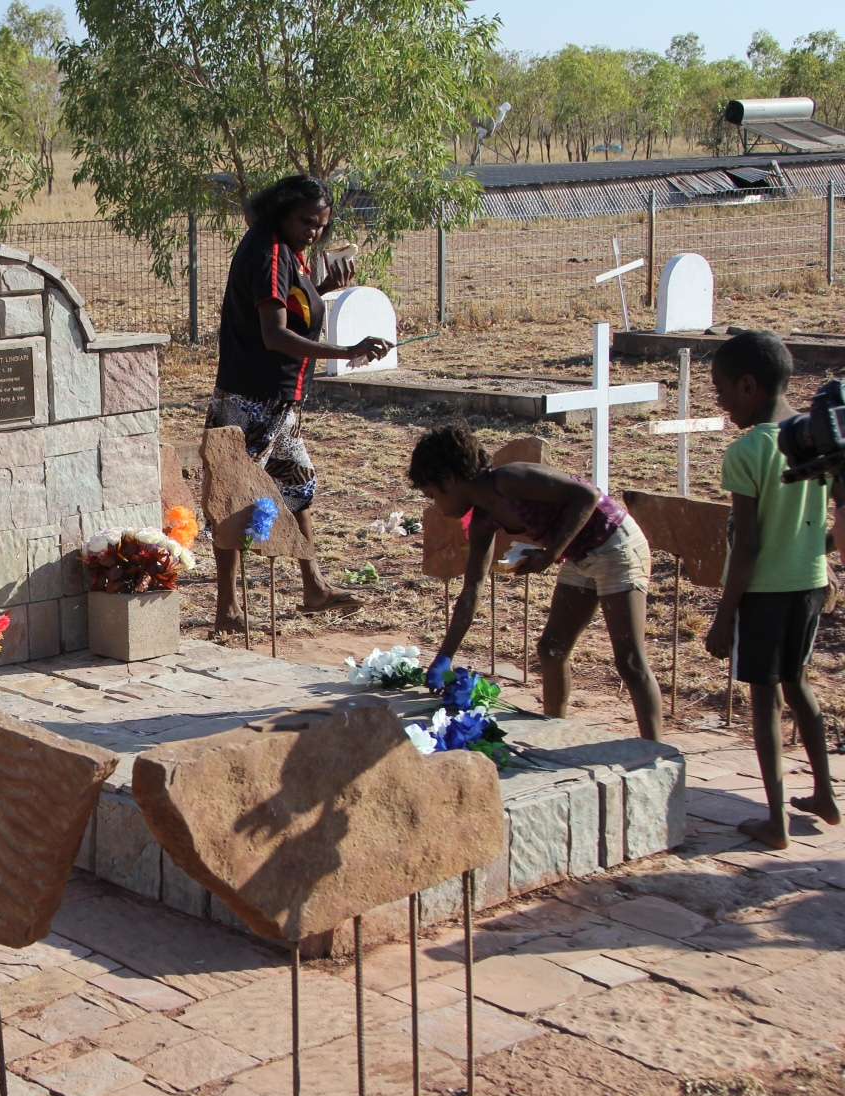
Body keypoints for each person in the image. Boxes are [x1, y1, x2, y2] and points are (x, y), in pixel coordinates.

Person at [209, 174, 393, 630]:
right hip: (252, 397)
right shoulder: (269, 250)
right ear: (282, 213)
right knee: (232, 496)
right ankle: (227, 608)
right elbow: (274, 334)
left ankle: (313, 587)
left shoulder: (284, 250)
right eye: (306, 221)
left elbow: (291, 309)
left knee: (298, 487)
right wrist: (348, 352)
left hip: (277, 400)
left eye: (320, 224)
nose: (314, 231)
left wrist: (323, 286)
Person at [410, 423, 663, 741]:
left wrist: (551, 553)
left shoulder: (510, 479)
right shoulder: (483, 520)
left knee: (630, 661)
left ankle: (655, 752)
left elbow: (587, 496)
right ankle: (554, 729)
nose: (436, 506)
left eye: (433, 495)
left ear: (449, 480)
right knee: (552, 649)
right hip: (580, 553)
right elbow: (473, 588)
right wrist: (445, 655)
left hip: (614, 544)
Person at [703, 332, 842, 848]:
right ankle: (826, 794)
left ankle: (775, 821)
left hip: (763, 593)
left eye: (721, 391)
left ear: (748, 385)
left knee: (763, 700)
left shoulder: (747, 451)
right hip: (809, 582)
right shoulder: (820, 437)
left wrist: (723, 616)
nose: (719, 402)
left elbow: (747, 546)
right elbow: (825, 522)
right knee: (799, 686)